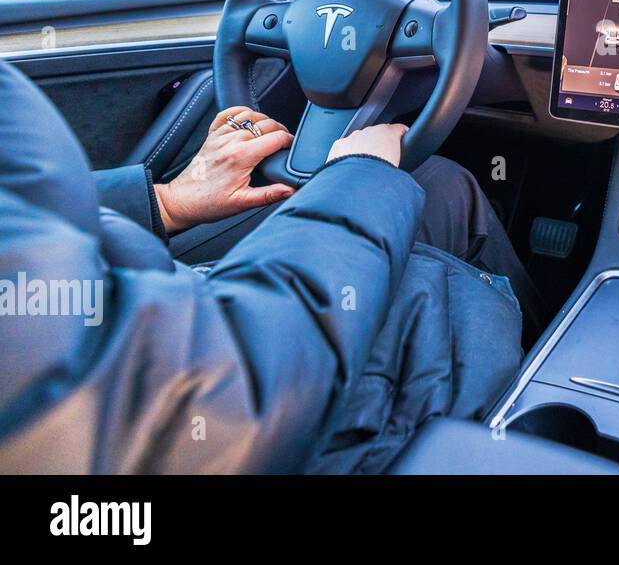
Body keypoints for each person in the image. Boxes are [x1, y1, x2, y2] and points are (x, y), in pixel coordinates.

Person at [0, 58, 530, 473]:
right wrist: (363, 176)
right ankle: (532, 399)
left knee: (433, 186)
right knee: (437, 193)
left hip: (144, 343)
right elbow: (220, 389)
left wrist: (164, 202)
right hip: (256, 425)